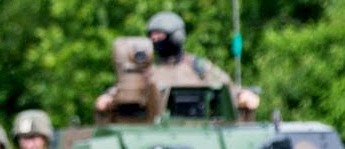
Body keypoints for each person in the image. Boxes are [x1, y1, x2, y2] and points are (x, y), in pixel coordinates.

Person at [94, 11, 259, 116]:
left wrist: (241, 95)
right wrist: (109, 97)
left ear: (176, 36)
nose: (154, 39)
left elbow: (225, 86)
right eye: (151, 35)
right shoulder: (147, 69)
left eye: (159, 35)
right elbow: (124, 90)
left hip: (199, 128)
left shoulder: (197, 66)